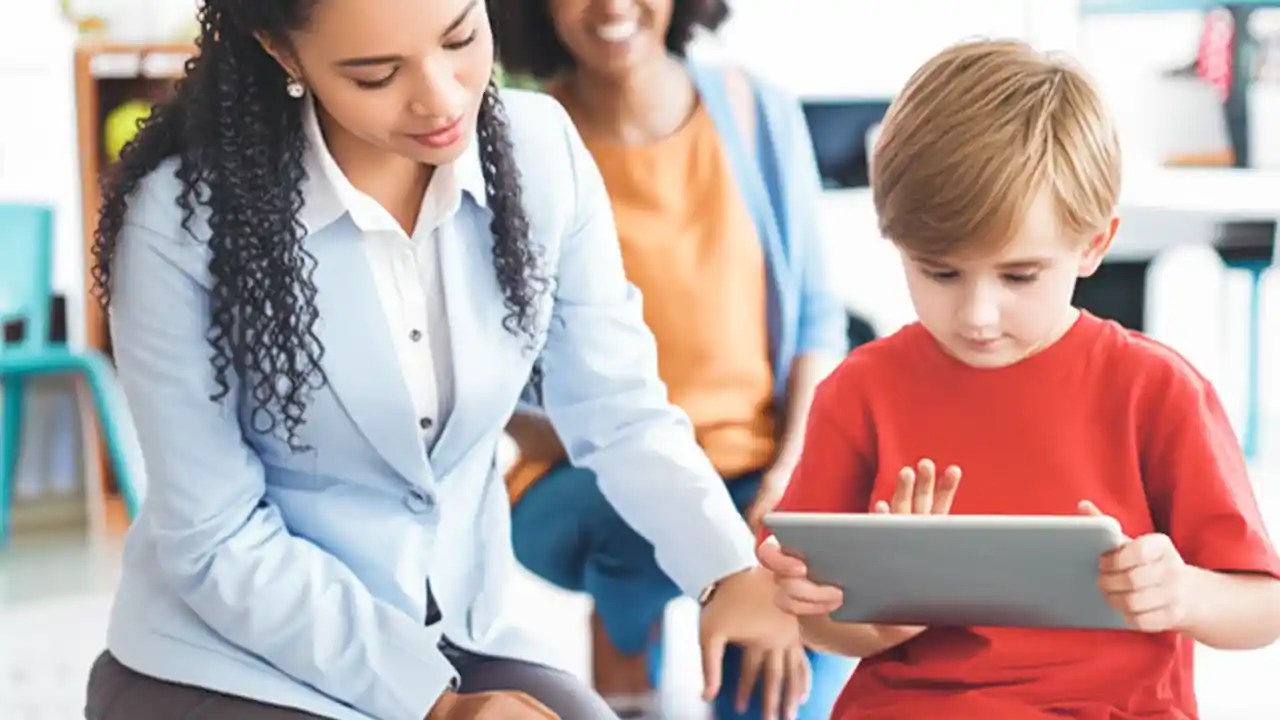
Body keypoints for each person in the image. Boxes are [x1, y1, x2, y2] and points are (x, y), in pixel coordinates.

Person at [80, 1, 804, 718]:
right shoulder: (180, 224)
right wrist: (433, 705)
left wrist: (726, 568)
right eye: (376, 75)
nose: (442, 96)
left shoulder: (540, 151)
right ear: (283, 52)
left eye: (460, 37)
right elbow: (215, 537)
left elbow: (619, 409)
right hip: (229, 656)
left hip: (455, 635)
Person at [757, 39, 1280, 719]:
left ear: (1093, 243)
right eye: (939, 272)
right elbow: (820, 622)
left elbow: (1263, 607)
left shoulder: (1155, 390)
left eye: (1019, 276)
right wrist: (887, 617)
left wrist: (1181, 594)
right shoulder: (860, 393)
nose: (976, 315)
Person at [494, 1, 855, 718]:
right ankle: (634, 626)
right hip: (587, 482)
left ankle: (643, 642)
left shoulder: (758, 112)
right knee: (647, 517)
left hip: (757, 469)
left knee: (795, 664)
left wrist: (790, 477)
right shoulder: (524, 141)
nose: (612, 7)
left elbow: (817, 321)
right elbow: (480, 352)